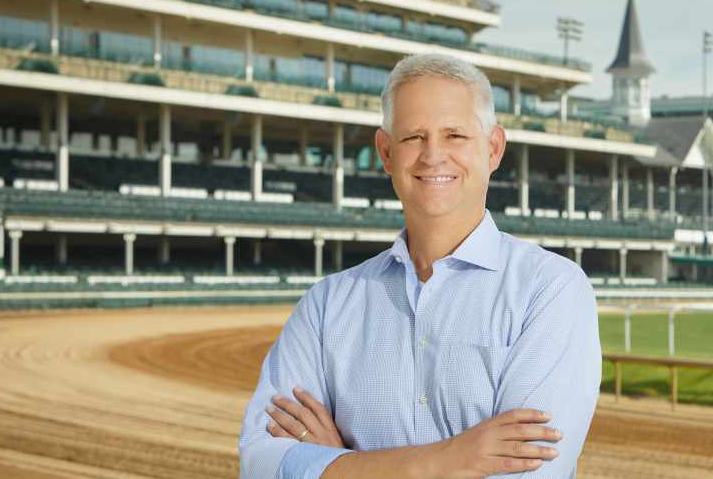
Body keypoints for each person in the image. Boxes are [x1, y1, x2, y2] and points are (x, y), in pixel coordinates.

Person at [238, 53, 601, 478]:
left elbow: (529, 475)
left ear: (493, 148)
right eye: (413, 137)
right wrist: (452, 459)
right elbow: (260, 462)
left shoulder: (551, 290)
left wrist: (338, 467)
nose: (433, 156)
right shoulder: (325, 304)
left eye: (454, 135)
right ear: (386, 153)